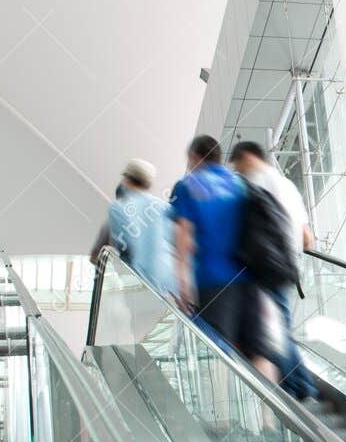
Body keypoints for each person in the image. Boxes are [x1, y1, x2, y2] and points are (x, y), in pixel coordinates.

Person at [171, 135, 279, 380]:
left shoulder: (190, 186)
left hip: (213, 281)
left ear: (195, 158)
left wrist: (182, 281)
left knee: (220, 353)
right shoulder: (241, 183)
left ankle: (228, 407)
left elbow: (184, 236)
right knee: (259, 352)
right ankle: (272, 405)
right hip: (250, 278)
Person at [229, 141, 318, 400]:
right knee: (279, 328)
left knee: (272, 332)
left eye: (238, 165)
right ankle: (296, 386)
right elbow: (307, 239)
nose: (238, 170)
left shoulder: (254, 183)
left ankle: (302, 388)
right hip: (288, 268)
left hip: (265, 270)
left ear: (246, 157)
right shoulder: (288, 185)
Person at [89, 159, 175, 295]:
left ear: (126, 179)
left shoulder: (117, 209)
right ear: (149, 183)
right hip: (165, 287)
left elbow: (97, 256)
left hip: (136, 284)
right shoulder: (163, 207)